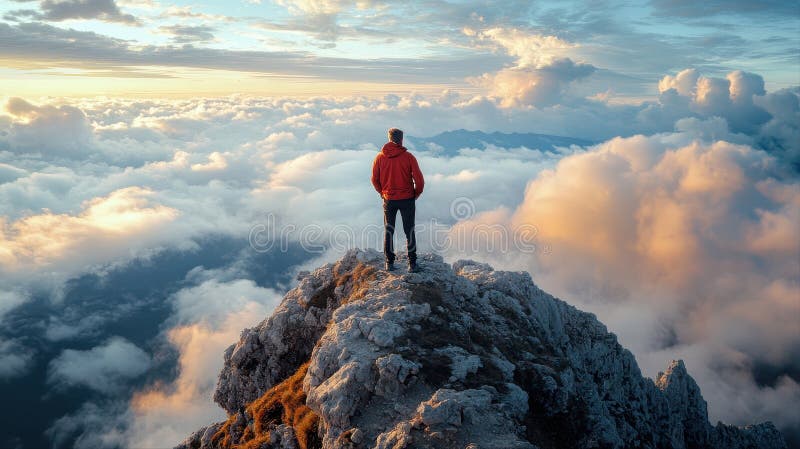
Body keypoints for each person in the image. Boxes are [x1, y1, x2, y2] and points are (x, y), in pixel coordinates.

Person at [371, 128, 424, 272]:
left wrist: (382, 193)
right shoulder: (409, 157)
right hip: (407, 199)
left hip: (389, 199)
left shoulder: (379, 158)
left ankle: (389, 262)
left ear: (389, 138)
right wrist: (416, 194)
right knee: (409, 230)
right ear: (401, 140)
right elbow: (419, 181)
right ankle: (412, 264)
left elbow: (374, 179)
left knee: (389, 230)